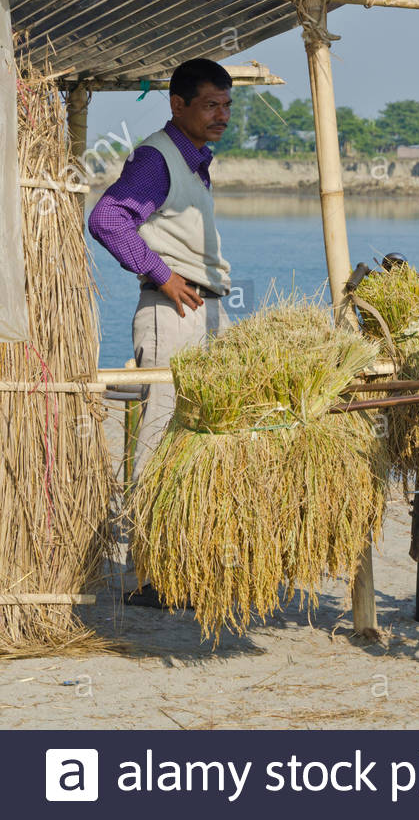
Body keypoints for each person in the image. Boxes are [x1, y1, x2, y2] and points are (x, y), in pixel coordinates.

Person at [88, 58, 235, 607]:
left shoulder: (193, 160)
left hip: (198, 309)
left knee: (196, 438)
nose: (221, 115)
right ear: (178, 106)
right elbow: (106, 218)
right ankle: (153, 576)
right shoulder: (158, 157)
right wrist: (163, 274)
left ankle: (182, 563)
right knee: (161, 437)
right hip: (171, 312)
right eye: (210, 105)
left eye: (226, 105)